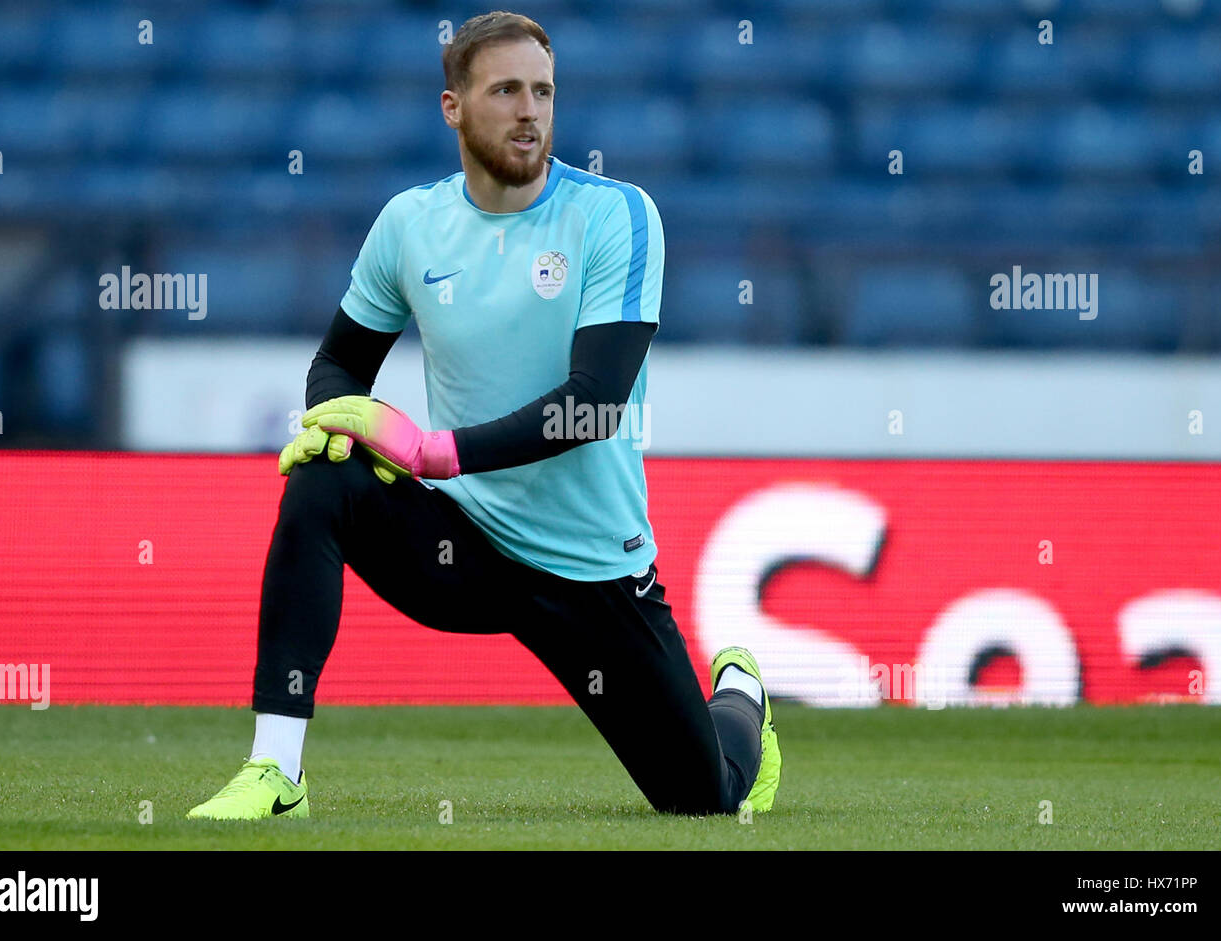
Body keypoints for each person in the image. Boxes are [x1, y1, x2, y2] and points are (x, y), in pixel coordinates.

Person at [187, 11, 779, 821]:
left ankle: (742, 691)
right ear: (453, 108)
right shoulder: (410, 224)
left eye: (543, 90)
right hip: (461, 546)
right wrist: (337, 418)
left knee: (705, 799)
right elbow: (336, 365)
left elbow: (594, 406)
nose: (529, 109)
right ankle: (275, 768)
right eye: (505, 90)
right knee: (321, 477)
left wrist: (429, 449)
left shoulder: (616, 216)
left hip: (590, 567)